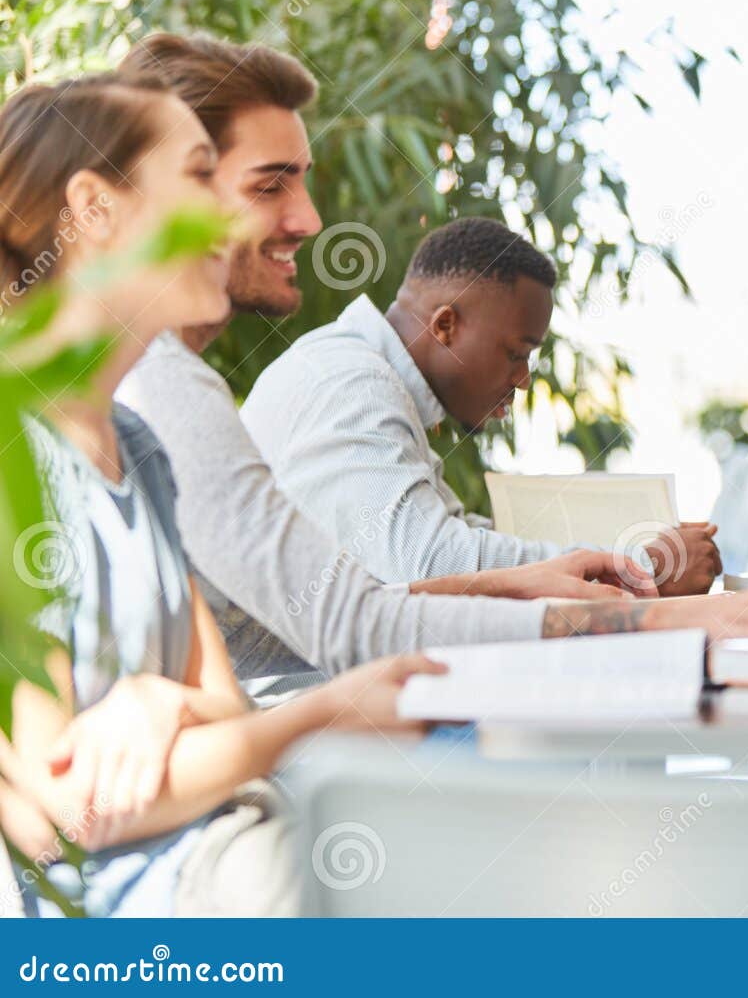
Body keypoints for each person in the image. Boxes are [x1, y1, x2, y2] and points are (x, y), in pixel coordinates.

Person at [113, 35, 748, 696]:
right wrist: (656, 616)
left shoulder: (168, 380)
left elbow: (351, 606)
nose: (311, 220)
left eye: (304, 182)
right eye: (270, 186)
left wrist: (538, 584)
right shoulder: (193, 386)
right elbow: (358, 623)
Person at [0, 72, 443, 916]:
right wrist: (326, 711)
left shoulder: (138, 449)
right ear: (95, 207)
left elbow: (221, 703)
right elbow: (71, 807)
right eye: (203, 176)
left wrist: (159, 698)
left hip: (220, 854)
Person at [238, 215, 721, 593]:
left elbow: (444, 536)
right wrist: (641, 570)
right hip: (299, 709)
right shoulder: (352, 386)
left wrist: (632, 551)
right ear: (445, 326)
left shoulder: (366, 376)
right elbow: (430, 564)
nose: (524, 379)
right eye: (515, 352)